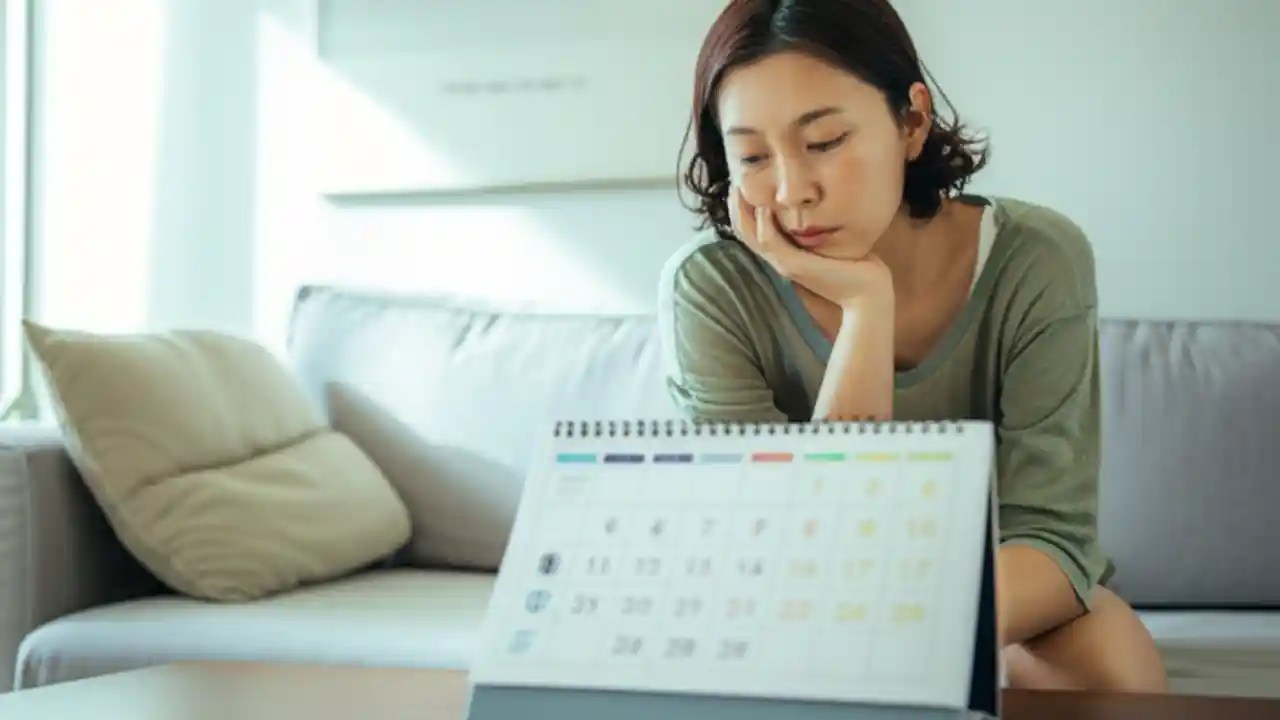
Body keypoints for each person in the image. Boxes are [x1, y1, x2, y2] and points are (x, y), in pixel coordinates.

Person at [659, 0, 1167, 693]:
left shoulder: (1037, 259)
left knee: (1110, 663)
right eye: (751, 156)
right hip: (798, 610)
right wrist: (866, 308)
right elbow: (784, 547)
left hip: (994, 588)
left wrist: (903, 628)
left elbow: (1051, 539)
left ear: (912, 122)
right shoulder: (710, 288)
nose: (792, 192)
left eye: (825, 141)